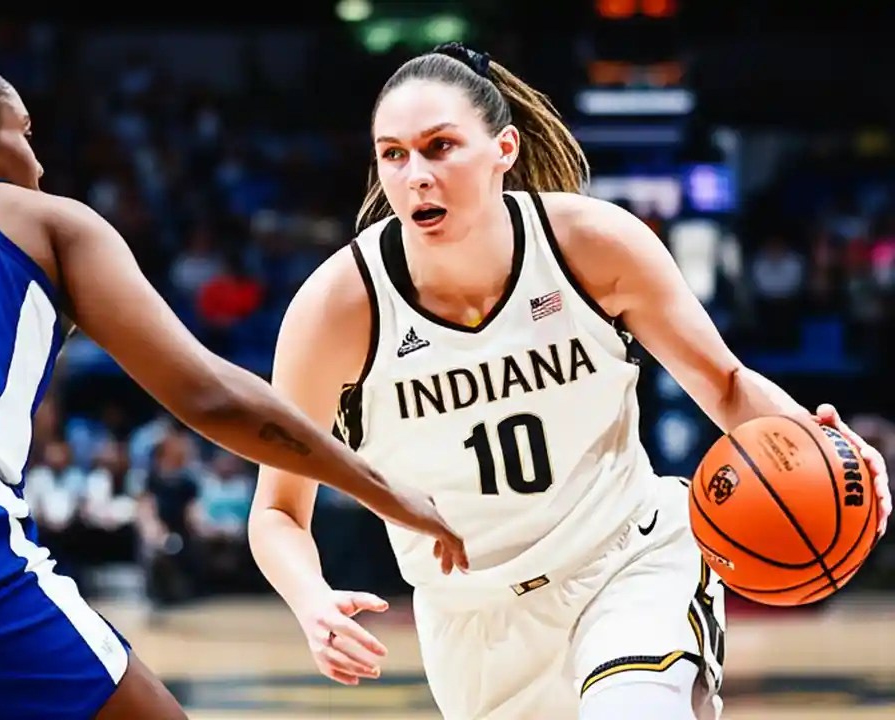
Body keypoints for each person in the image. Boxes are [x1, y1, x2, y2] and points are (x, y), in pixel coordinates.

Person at [0, 23, 468, 720]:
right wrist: (387, 494)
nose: (39, 161)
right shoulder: (34, 216)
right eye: (26, 134)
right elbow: (208, 393)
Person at [248, 42, 892, 720]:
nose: (416, 176)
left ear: (504, 149)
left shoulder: (592, 245)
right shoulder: (336, 311)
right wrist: (310, 598)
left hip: (624, 560)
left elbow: (726, 385)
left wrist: (825, 449)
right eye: (394, 154)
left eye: (441, 147)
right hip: (476, 625)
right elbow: (278, 510)